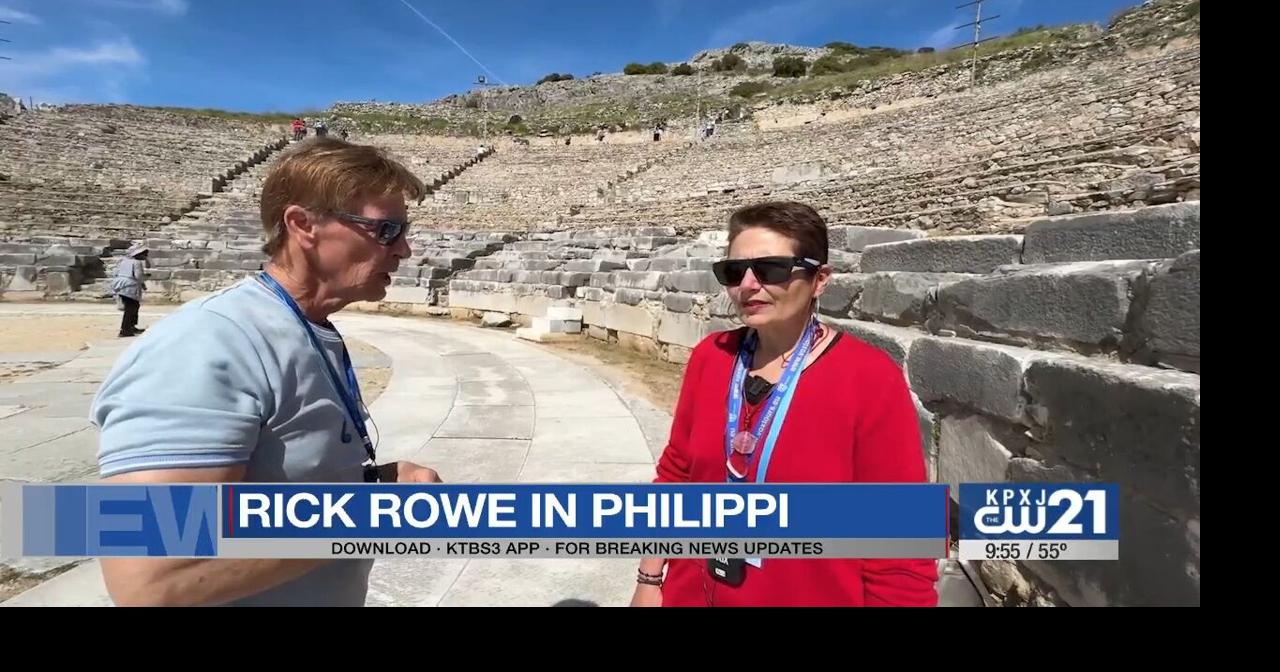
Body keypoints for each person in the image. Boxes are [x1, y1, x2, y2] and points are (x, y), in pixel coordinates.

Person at [90, 138, 442, 607]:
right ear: (303, 225)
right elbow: (154, 580)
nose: (405, 249)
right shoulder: (209, 344)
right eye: (386, 230)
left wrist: (368, 485)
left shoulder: (307, 329)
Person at [630, 201, 938, 607]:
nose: (749, 285)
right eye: (734, 272)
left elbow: (900, 545)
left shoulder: (869, 379)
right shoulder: (711, 356)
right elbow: (677, 476)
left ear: (820, 279)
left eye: (771, 269)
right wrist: (649, 579)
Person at [109, 243, 148, 337]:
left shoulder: (123, 261)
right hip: (131, 286)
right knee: (131, 308)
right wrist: (144, 280)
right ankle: (125, 329)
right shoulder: (137, 263)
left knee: (132, 306)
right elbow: (138, 276)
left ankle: (131, 327)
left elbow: (116, 272)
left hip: (121, 285)